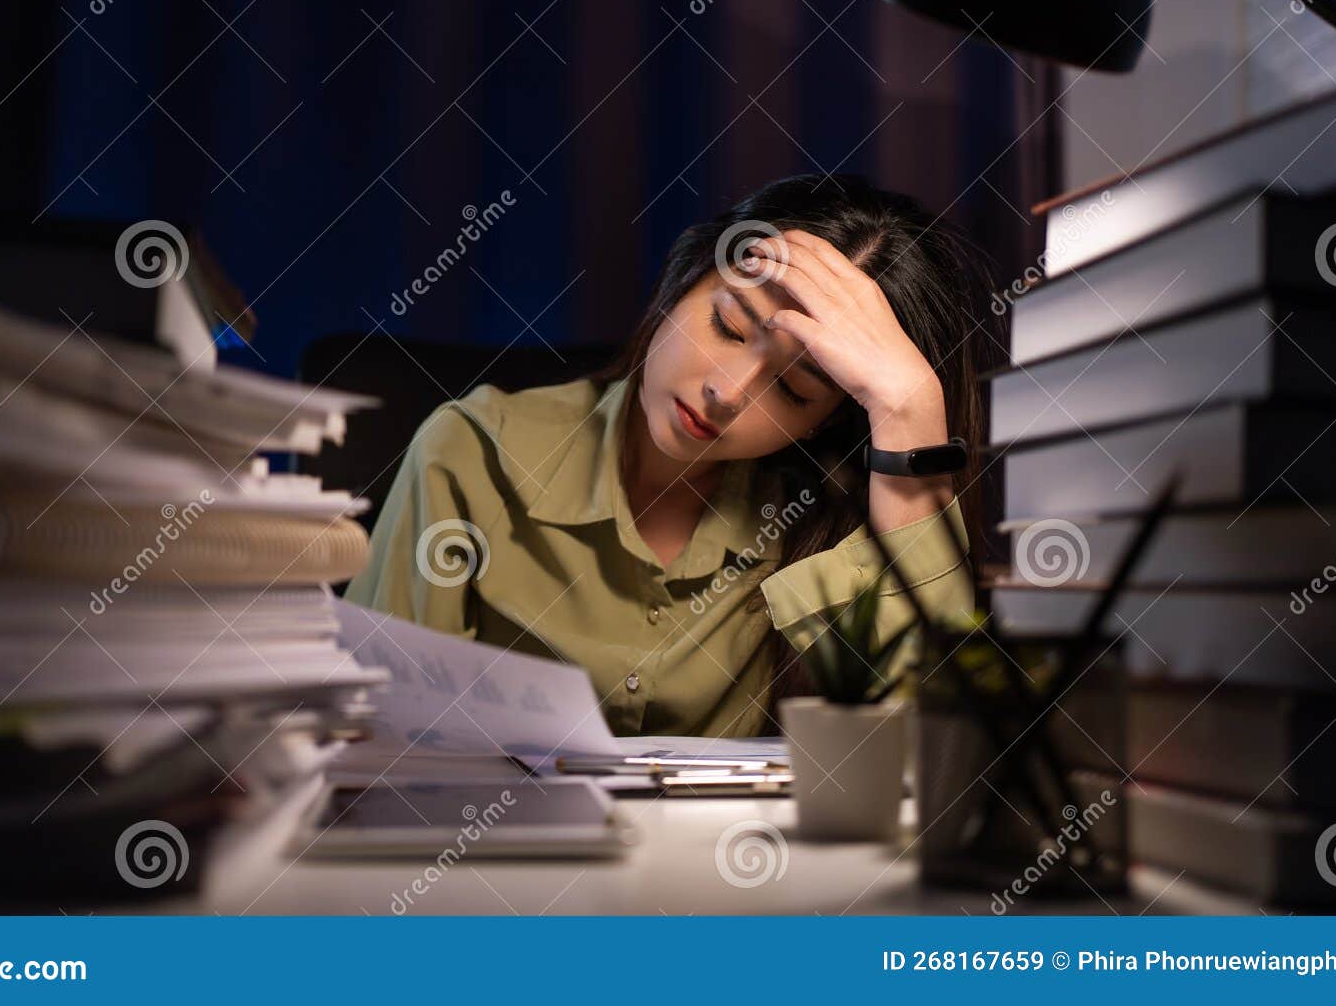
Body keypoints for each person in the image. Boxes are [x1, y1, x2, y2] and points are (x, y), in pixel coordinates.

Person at [343, 173, 993, 738]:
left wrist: (909, 410)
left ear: (828, 421)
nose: (726, 391)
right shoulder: (468, 452)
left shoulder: (825, 519)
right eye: (728, 326)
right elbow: (375, 734)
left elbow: (925, 745)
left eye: (794, 389)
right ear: (684, 279)